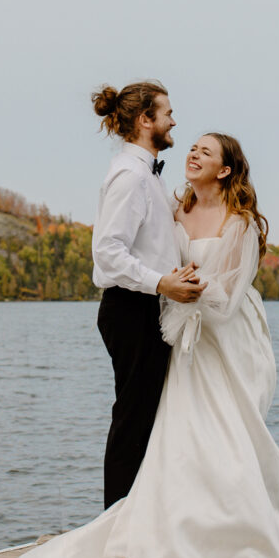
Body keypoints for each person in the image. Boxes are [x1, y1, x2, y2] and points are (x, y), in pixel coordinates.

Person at [0, 131, 279, 558]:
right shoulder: (176, 209)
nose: (194, 152)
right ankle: (177, 528)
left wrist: (187, 291)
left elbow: (230, 292)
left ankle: (239, 526)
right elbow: (153, 261)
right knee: (181, 430)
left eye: (206, 150)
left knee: (229, 426)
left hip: (225, 335)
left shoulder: (240, 221)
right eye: (193, 147)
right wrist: (169, 290)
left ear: (225, 170)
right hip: (182, 334)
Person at [85, 80, 205, 509]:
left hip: (145, 308)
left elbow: (149, 243)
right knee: (133, 420)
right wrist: (160, 283)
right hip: (131, 309)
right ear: (145, 120)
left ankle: (139, 521)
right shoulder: (131, 176)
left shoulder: (148, 175)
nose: (174, 121)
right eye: (167, 113)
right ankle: (115, 524)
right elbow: (106, 252)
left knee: (147, 419)